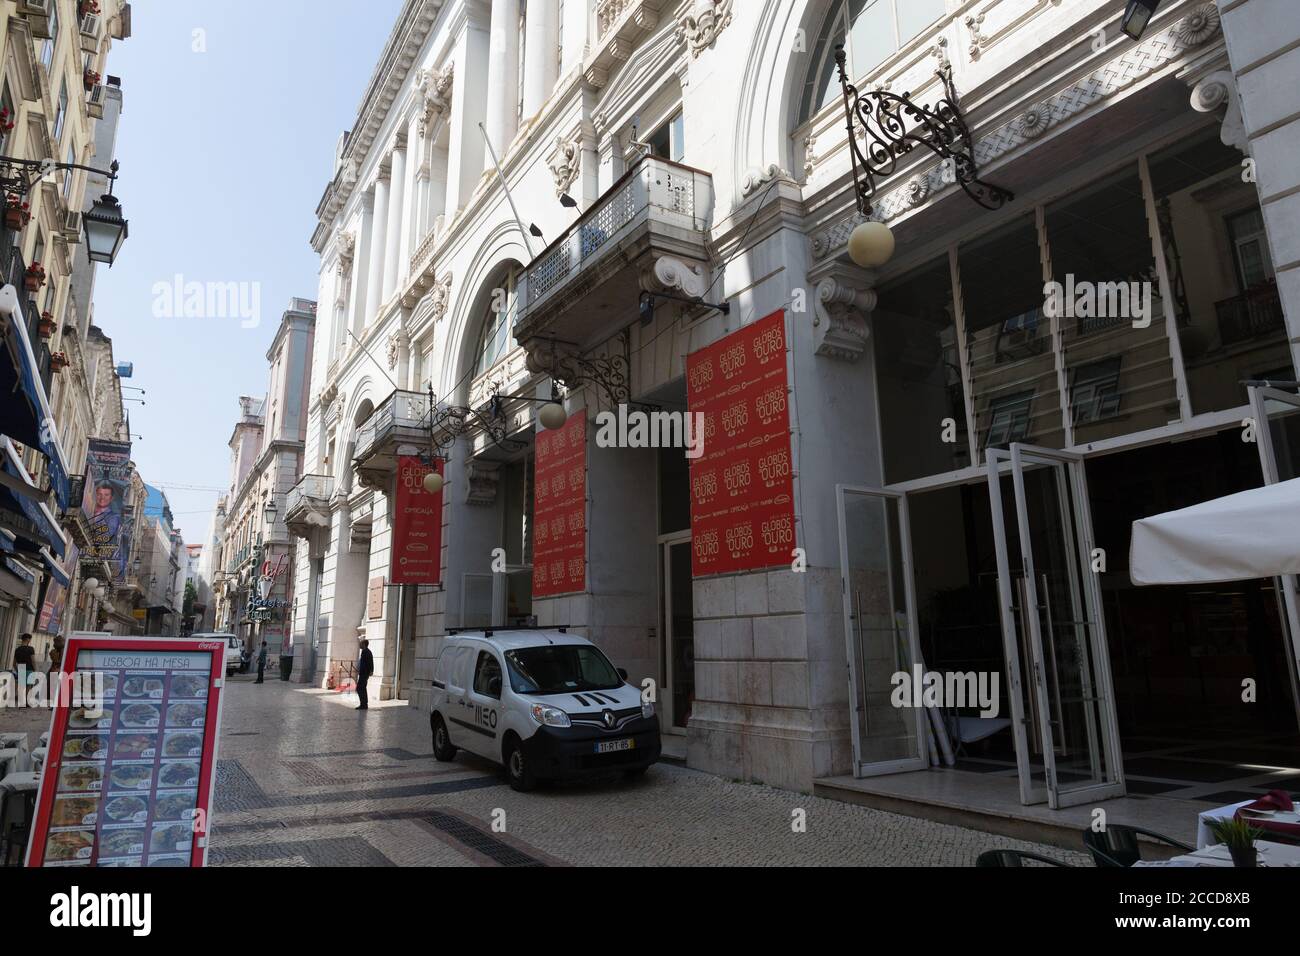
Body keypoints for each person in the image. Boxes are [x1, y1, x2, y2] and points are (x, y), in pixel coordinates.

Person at [356, 639, 373, 710]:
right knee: (362, 688)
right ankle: (363, 704)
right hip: (363, 673)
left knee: (360, 688)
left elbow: (370, 662)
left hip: (364, 673)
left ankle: (364, 704)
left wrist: (370, 671)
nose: (359, 644)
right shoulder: (365, 651)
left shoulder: (366, 652)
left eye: (361, 643)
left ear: (364, 644)